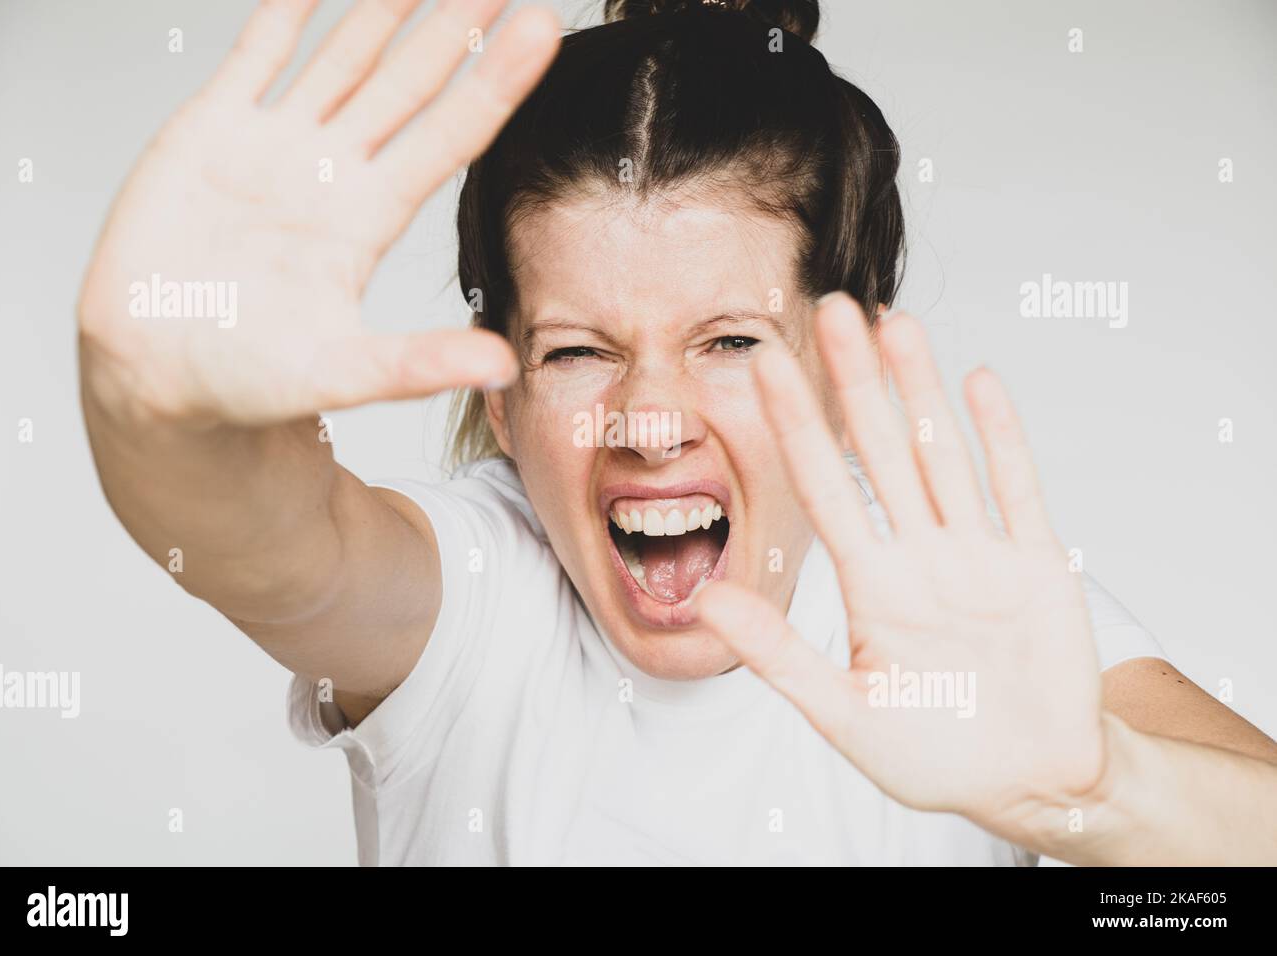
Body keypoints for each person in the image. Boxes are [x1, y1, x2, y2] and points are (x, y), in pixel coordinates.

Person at [78, 0, 1277, 865]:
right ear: (501, 400)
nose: (650, 422)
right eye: (578, 351)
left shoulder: (965, 611)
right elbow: (262, 540)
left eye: (731, 340)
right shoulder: (472, 604)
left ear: (841, 365)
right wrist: (157, 405)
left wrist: (1100, 794)